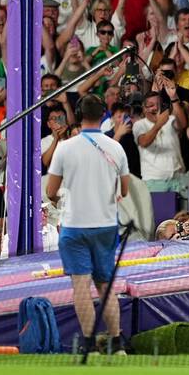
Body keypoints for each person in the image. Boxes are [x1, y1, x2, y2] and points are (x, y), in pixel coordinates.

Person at [45, 93, 131, 354]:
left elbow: (50, 191)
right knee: (105, 285)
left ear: (79, 115)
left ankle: (89, 345)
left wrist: (67, 195)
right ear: (103, 115)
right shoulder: (116, 147)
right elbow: (124, 190)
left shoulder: (65, 147)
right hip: (105, 226)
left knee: (80, 285)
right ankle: (117, 344)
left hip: (75, 226)